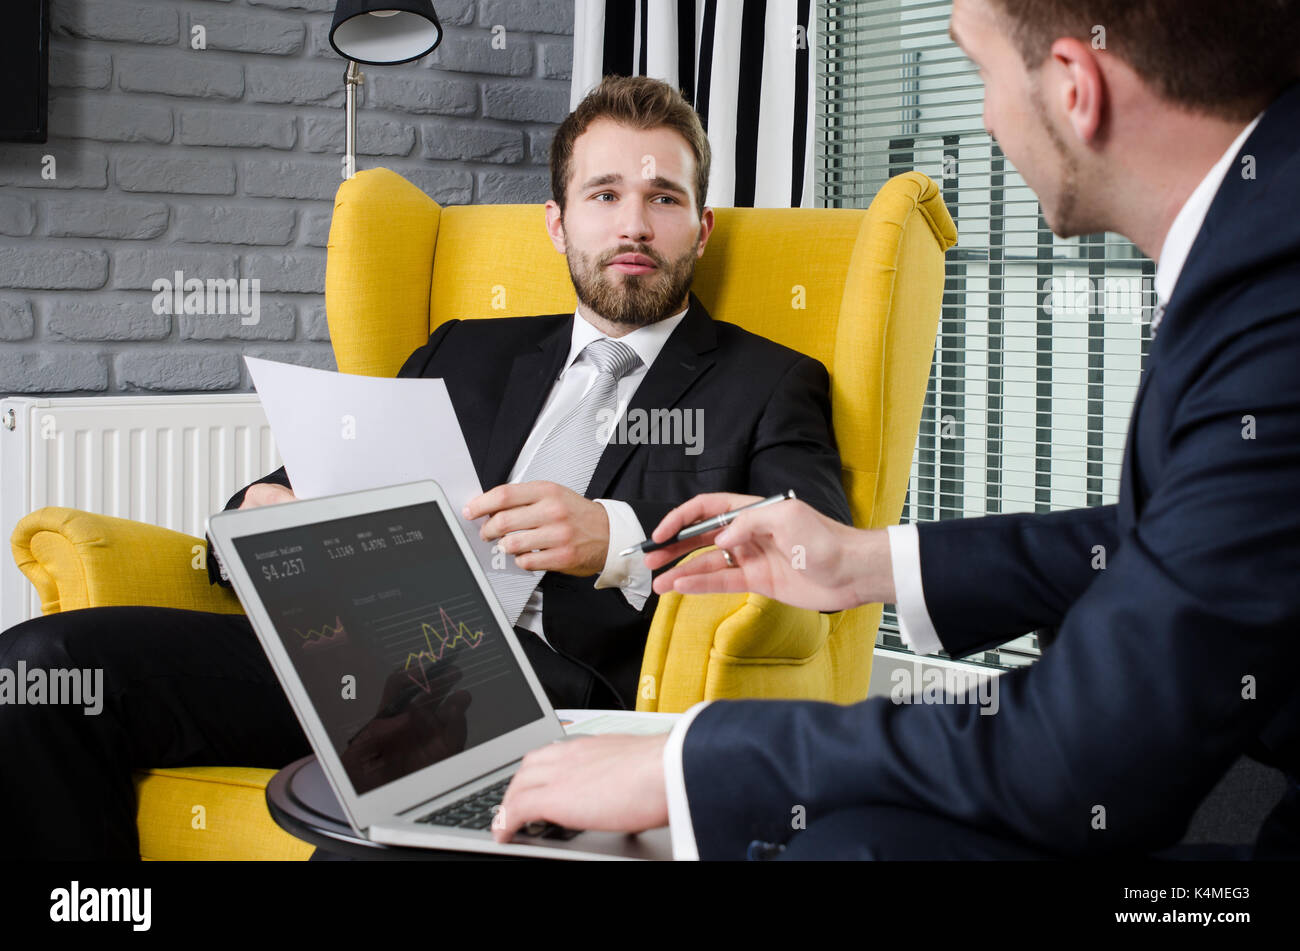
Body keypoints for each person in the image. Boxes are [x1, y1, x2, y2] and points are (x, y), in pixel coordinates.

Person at [492, 0, 1300, 860]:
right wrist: (869, 562)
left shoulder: (1271, 292)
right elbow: (1170, 540)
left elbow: (1082, 757)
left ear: (1076, 87)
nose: (986, 120)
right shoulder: (1261, 235)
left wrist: (686, 763)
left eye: (982, 75)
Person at [0, 75, 851, 859]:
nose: (633, 224)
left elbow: (819, 547)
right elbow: (308, 477)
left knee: (394, 791)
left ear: (699, 229)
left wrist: (619, 542)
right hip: (350, 653)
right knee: (42, 671)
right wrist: (264, 512)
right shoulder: (464, 352)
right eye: (604, 194)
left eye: (662, 197)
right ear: (558, 223)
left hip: (533, 689)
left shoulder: (767, 380)